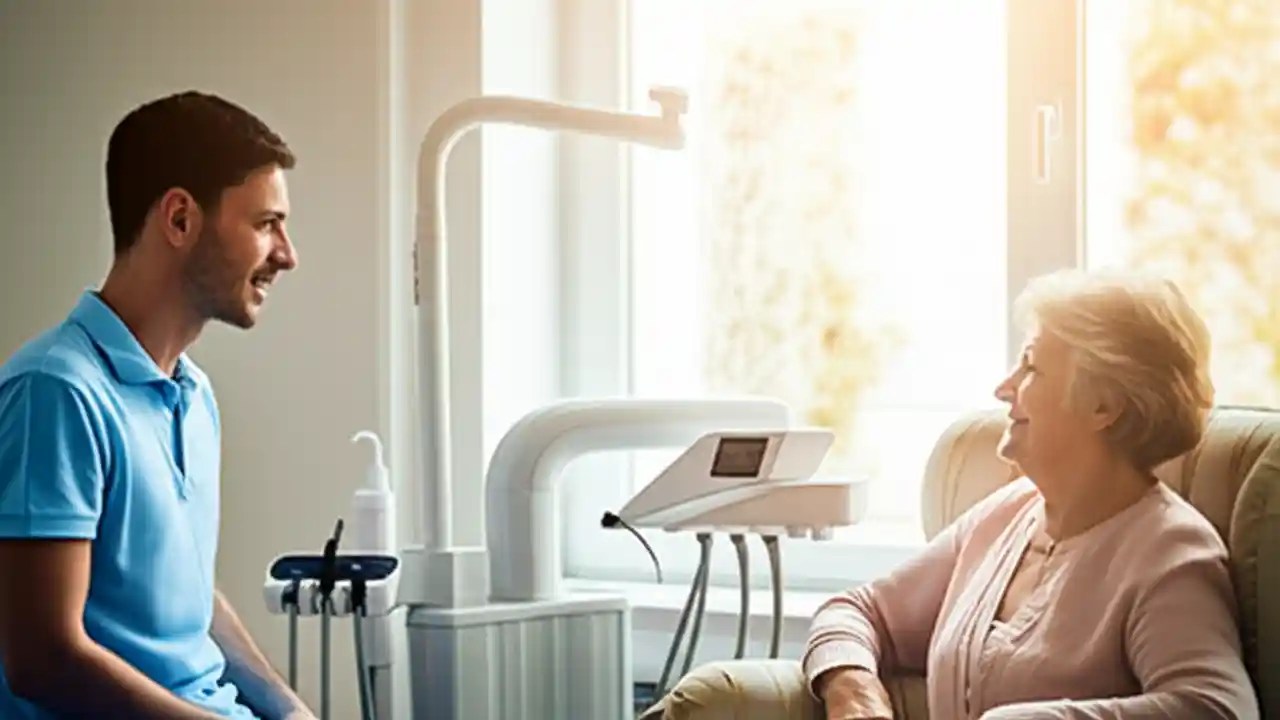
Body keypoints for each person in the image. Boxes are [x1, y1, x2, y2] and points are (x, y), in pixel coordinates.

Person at [805, 269, 1260, 719]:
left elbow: (1217, 709)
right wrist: (854, 689)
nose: (1003, 389)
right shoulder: (1008, 514)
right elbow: (859, 611)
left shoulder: (1172, 554)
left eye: (1031, 367)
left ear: (1103, 405)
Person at [0, 91, 310, 719]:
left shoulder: (193, 395)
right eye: (265, 223)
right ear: (179, 219)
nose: (286, 254)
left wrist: (287, 710)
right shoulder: (55, 392)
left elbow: (183, 603)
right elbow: (43, 659)